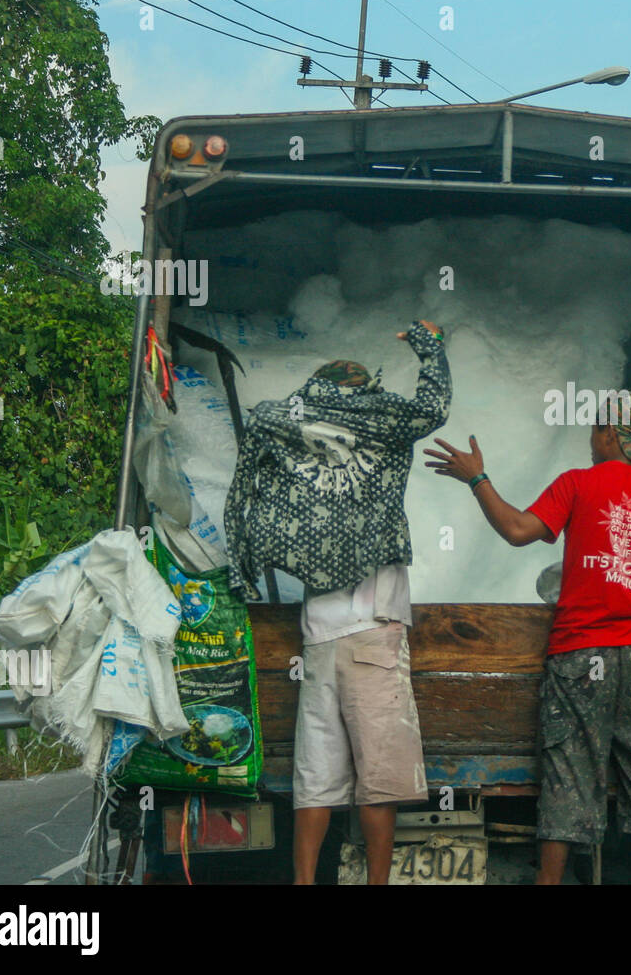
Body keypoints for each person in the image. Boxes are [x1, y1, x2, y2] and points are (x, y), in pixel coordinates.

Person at [424, 391, 631, 884]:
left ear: (610, 434)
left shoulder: (578, 483)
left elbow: (516, 530)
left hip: (581, 653)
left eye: (594, 429)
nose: (590, 439)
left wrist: (478, 480)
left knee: (568, 773)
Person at [224, 319, 450, 885]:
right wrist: (429, 346)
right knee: (379, 781)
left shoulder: (284, 425)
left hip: (318, 640)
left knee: (316, 780)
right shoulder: (382, 424)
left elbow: (243, 497)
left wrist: (243, 571)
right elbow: (433, 408)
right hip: (374, 631)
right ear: (362, 392)